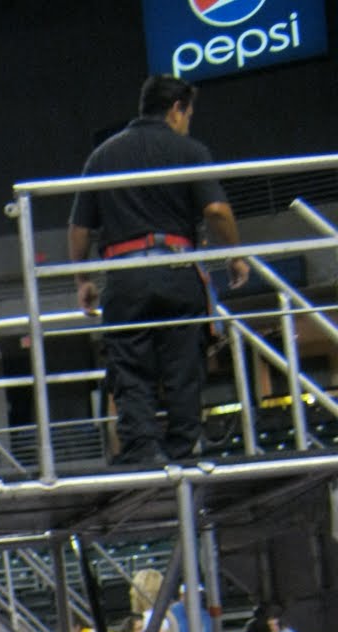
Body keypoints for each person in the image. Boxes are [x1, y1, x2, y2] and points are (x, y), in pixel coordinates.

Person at [68, 75, 250, 468]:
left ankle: (141, 452)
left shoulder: (102, 156)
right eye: (188, 114)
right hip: (177, 269)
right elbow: (216, 211)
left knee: (130, 370)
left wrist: (83, 280)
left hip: (124, 278)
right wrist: (235, 255)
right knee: (184, 365)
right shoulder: (189, 150)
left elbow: (79, 229)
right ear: (176, 109)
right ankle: (183, 453)